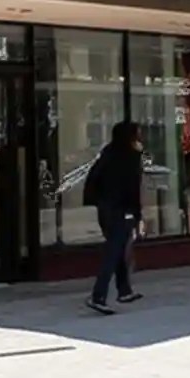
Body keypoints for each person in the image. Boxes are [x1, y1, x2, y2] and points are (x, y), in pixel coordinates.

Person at [83, 121, 145, 315]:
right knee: (113, 253)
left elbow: (93, 178)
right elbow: (133, 189)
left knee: (116, 248)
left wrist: (97, 200)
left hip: (106, 209)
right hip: (122, 210)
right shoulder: (131, 157)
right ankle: (98, 296)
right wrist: (137, 215)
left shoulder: (108, 153)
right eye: (137, 133)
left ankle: (124, 290)